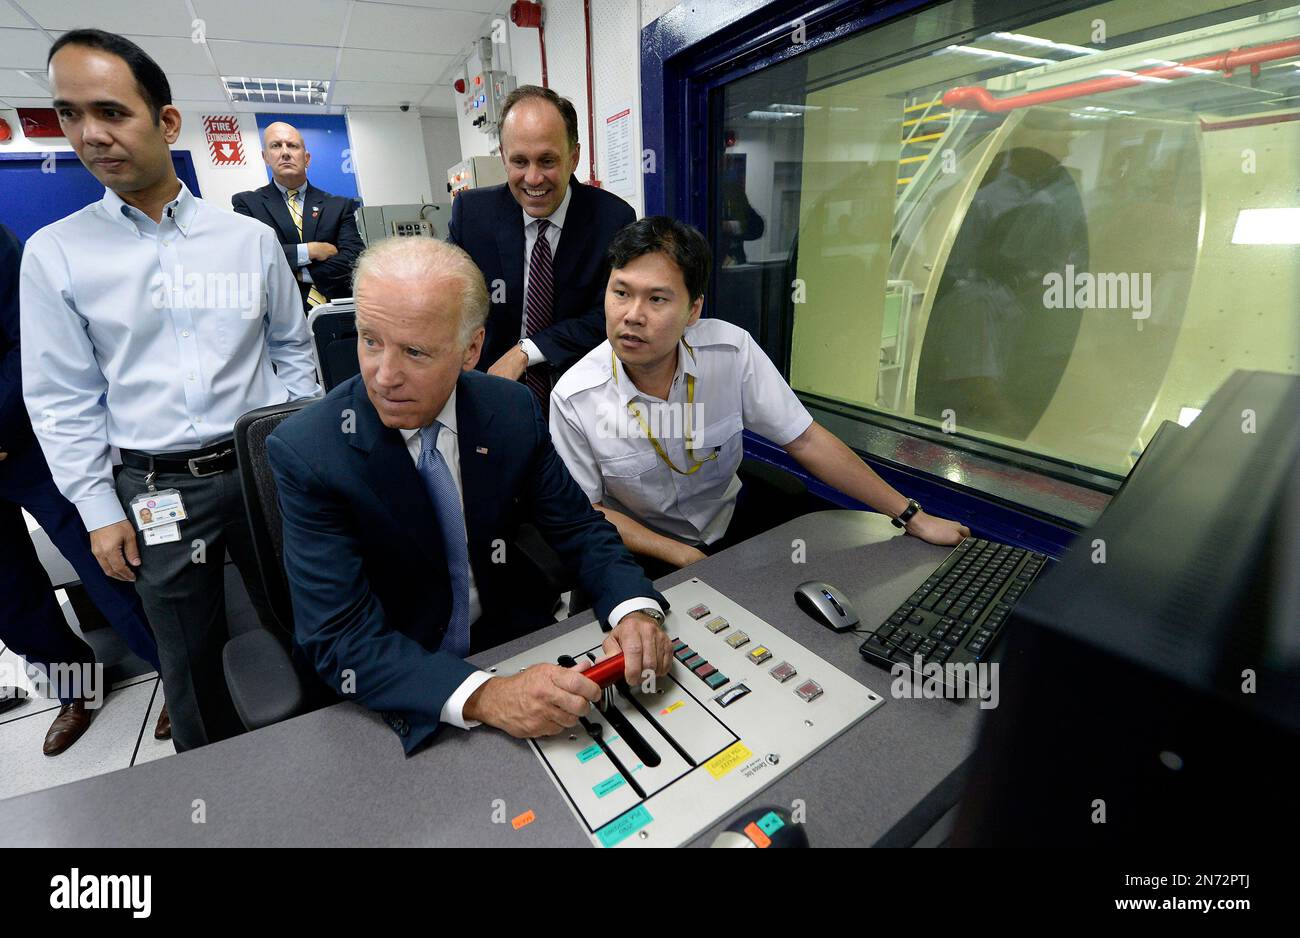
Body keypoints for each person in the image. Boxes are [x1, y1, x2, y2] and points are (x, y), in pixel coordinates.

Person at [21, 29, 320, 752]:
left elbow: (292, 350)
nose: (91, 134)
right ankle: (207, 792)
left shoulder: (245, 240)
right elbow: (61, 397)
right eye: (70, 114)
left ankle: (331, 753)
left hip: (262, 472)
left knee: (302, 614)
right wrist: (97, 508)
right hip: (157, 491)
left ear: (167, 121)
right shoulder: (56, 254)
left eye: (112, 112)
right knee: (187, 651)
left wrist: (303, 456)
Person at [267, 237, 671, 753]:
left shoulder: (510, 408)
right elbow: (339, 636)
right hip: (396, 679)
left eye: (415, 351)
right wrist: (486, 697)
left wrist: (632, 609)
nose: (384, 376)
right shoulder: (308, 452)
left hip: (511, 640)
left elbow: (578, 527)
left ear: (472, 349)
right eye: (370, 341)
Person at [550, 217, 971, 576]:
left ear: (693, 311)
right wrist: (682, 555)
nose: (632, 316)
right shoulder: (574, 397)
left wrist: (912, 517)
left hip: (733, 526)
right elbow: (590, 511)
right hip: (646, 553)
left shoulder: (730, 353)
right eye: (621, 292)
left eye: (657, 299)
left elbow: (805, 439)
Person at [1, 223, 165, 755]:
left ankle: (177, 672)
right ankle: (78, 688)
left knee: (106, 563)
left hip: (23, 443)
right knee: (8, 596)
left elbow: (27, 342)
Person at [448, 85, 634, 413]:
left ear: (573, 157)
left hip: (583, 396)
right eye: (519, 161)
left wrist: (525, 352)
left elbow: (609, 314)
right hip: (491, 394)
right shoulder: (471, 215)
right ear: (504, 156)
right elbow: (449, 296)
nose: (533, 178)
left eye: (547, 161)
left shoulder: (613, 220)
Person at [232, 121, 364, 313]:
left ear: (307, 158)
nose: (285, 152)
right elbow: (250, 256)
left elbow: (356, 258)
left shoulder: (338, 205)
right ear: (265, 157)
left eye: (292, 145)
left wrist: (303, 273)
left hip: (337, 316)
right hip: (279, 317)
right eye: (276, 146)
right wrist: (309, 251)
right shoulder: (248, 204)